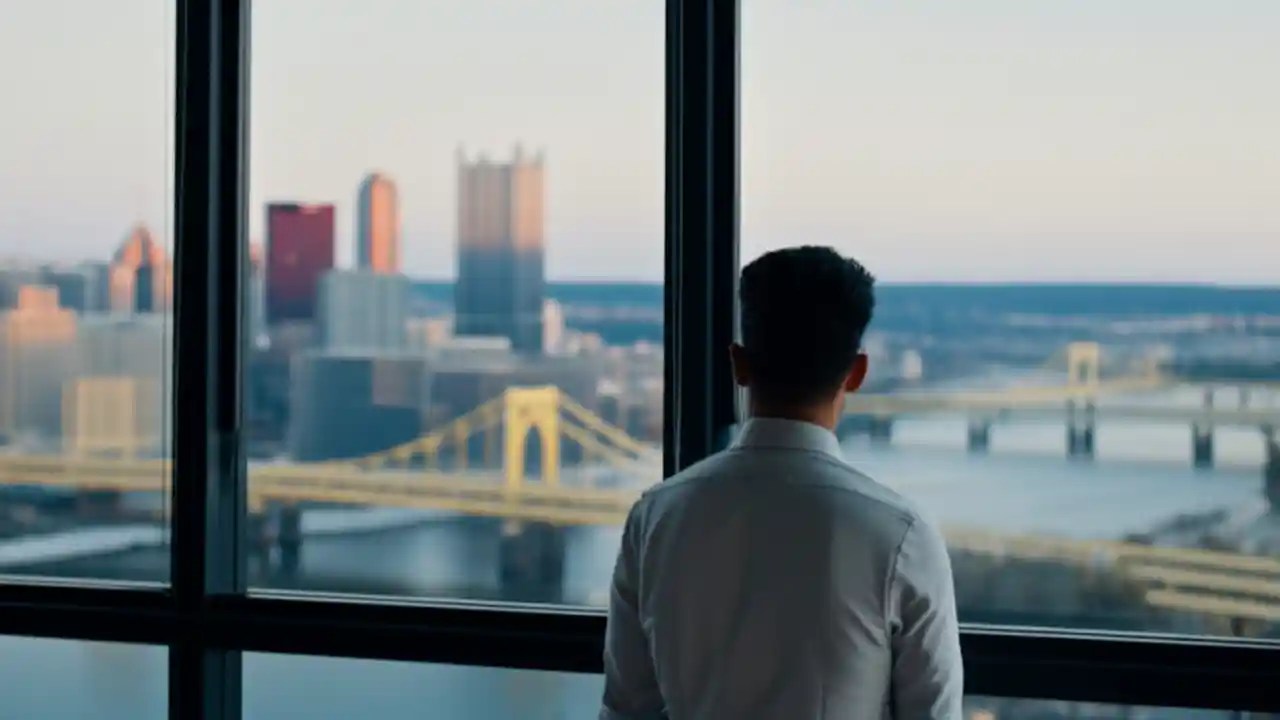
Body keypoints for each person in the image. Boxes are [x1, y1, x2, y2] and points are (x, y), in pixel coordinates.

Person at [600, 246, 963, 719]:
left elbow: (626, 711)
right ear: (856, 373)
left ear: (738, 364)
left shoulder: (655, 518)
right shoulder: (902, 537)